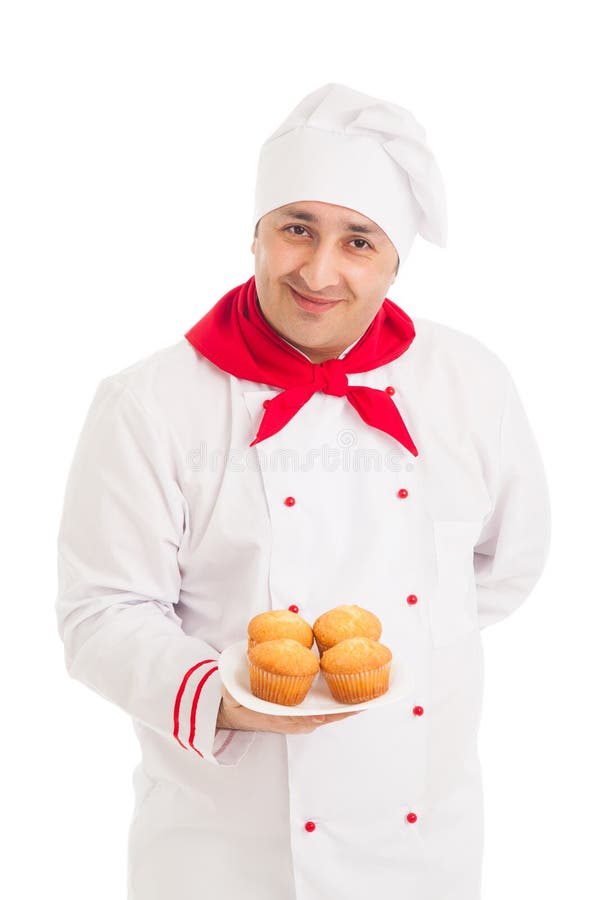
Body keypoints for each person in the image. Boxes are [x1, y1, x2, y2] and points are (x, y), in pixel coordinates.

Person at [55, 82, 551, 900]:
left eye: (359, 241)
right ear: (255, 234)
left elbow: (502, 568)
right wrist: (223, 697)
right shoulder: (149, 404)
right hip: (222, 851)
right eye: (297, 229)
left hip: (422, 848)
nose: (319, 271)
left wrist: (415, 655)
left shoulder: (470, 385)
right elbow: (98, 614)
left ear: (397, 259)